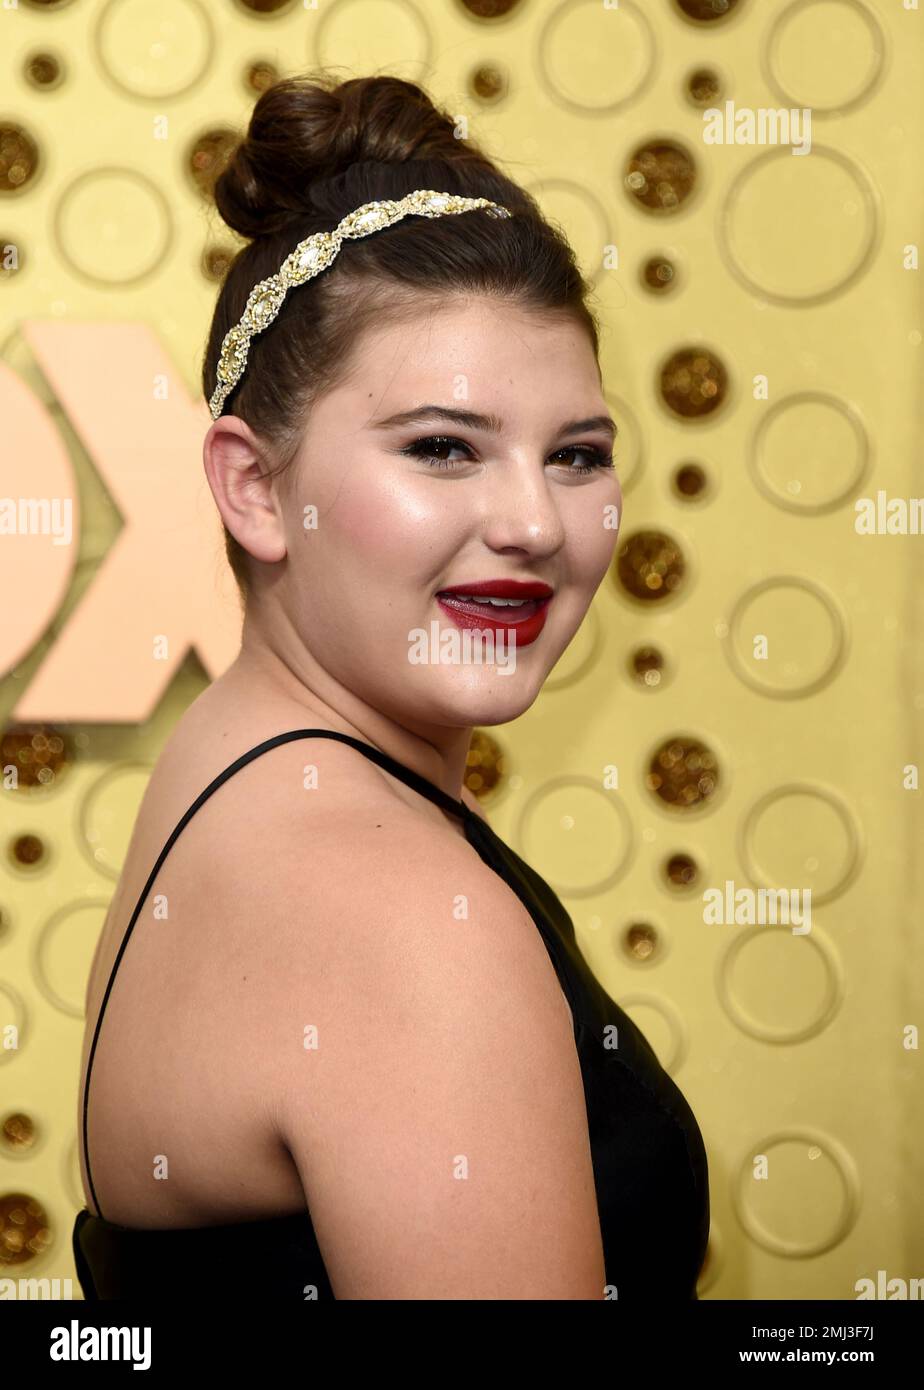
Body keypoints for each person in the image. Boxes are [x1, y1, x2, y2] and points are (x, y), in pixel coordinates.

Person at [72, 71, 709, 1300]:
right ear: (254, 487)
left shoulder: (232, 766)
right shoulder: (401, 916)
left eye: (577, 455)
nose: (534, 522)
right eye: (442, 447)